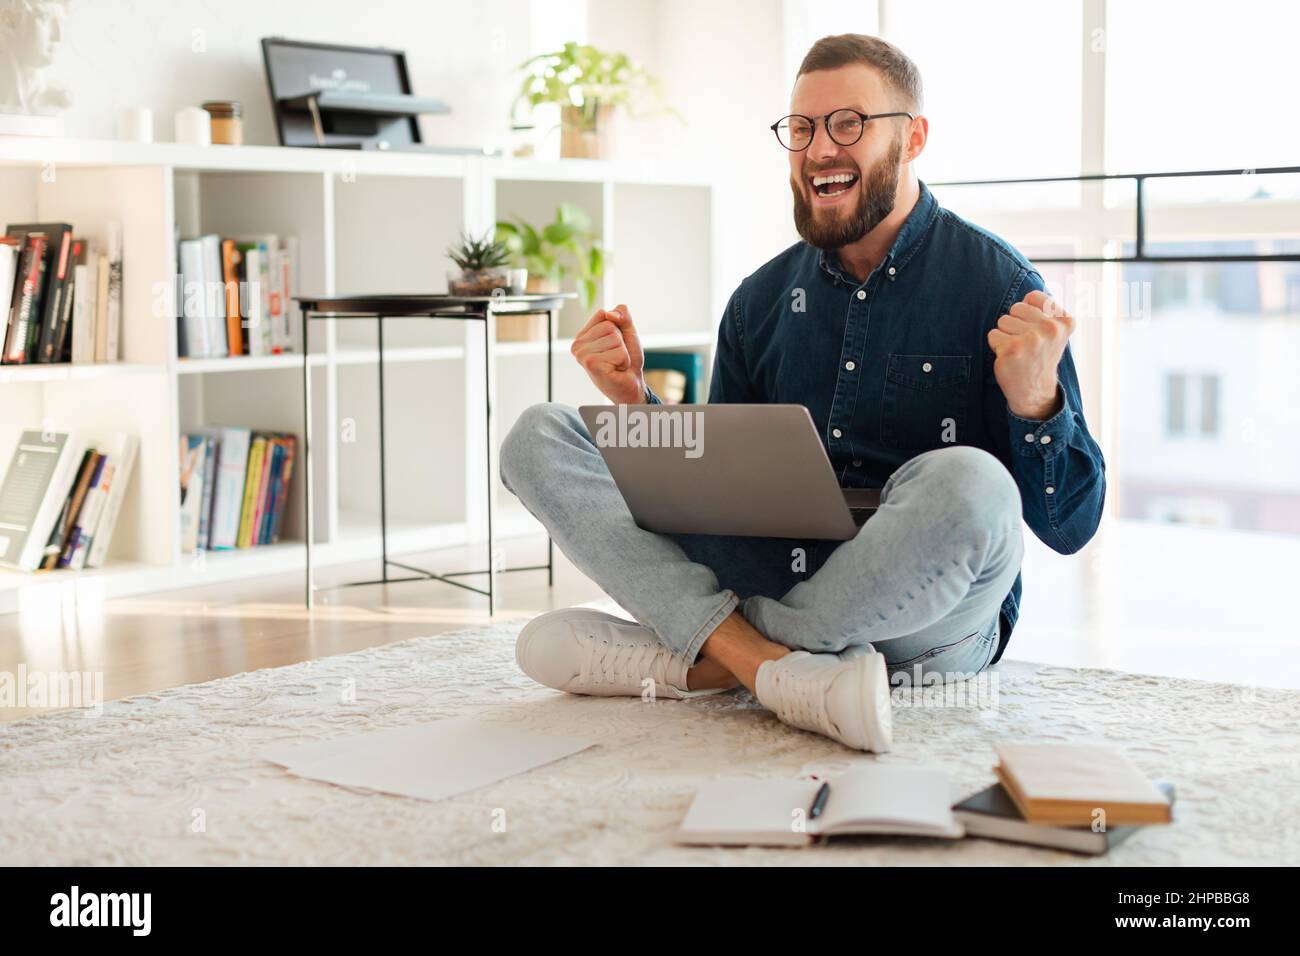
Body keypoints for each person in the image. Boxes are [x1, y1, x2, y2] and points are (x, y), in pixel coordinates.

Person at [499, 33, 1106, 752]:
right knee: (538, 434)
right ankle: (775, 668)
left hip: (924, 625)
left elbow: (1070, 528)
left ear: (913, 139)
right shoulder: (759, 301)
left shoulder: (1002, 288)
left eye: (849, 123)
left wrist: (1035, 402)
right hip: (774, 574)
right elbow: (717, 497)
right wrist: (636, 408)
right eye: (802, 128)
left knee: (971, 483)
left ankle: (712, 658)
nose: (820, 149)